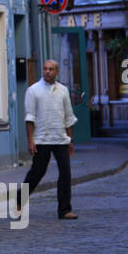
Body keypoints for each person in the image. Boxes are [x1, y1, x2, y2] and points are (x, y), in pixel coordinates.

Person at [23, 59, 79, 220]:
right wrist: (30, 140)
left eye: (51, 69)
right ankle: (20, 199)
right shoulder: (33, 91)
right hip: (41, 139)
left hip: (60, 138)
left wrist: (70, 139)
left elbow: (68, 116)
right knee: (37, 172)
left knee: (65, 173)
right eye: (45, 69)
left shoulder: (63, 91)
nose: (47, 72)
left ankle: (65, 210)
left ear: (57, 72)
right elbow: (29, 118)